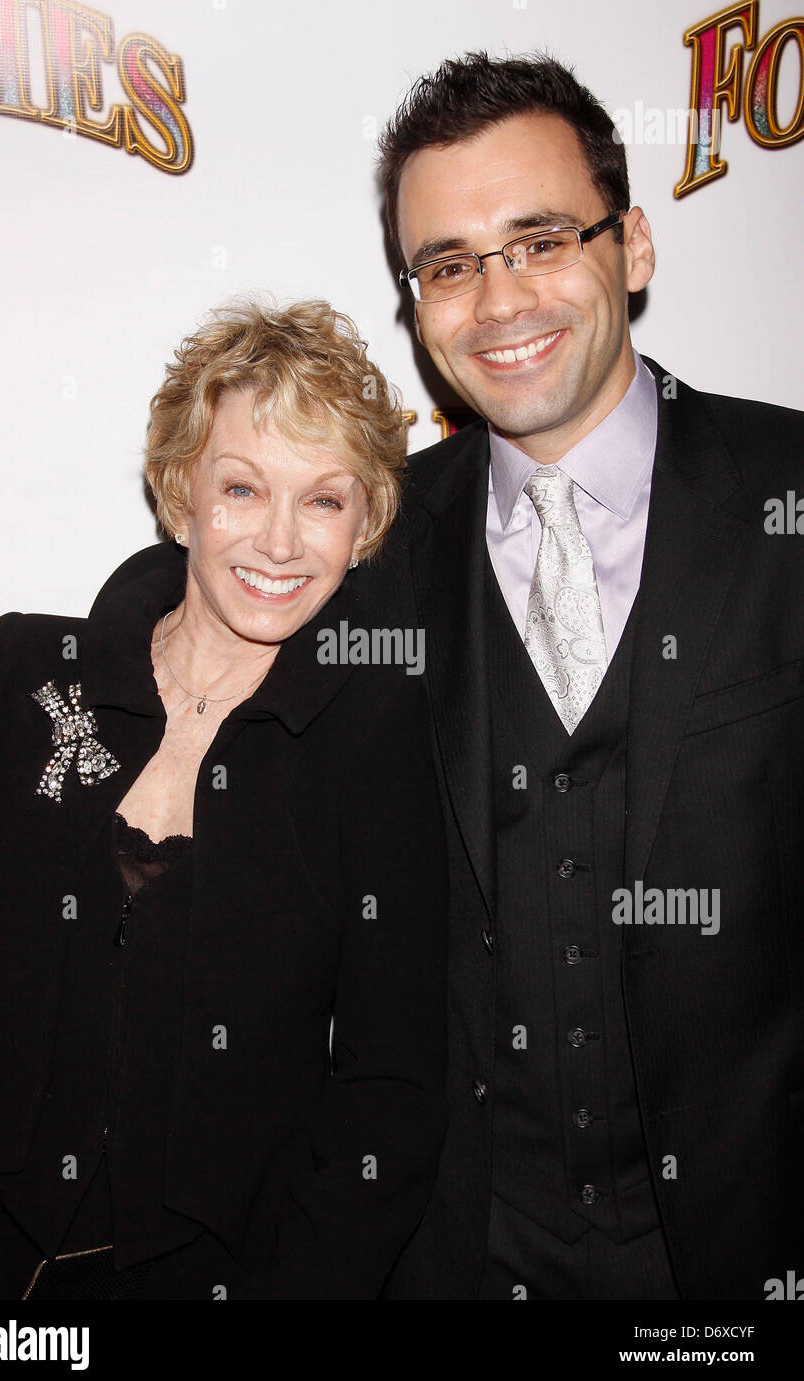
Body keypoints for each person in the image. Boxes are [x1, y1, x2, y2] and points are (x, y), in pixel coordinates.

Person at [367, 51, 804, 1300]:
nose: (496, 299)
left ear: (634, 248)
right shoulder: (372, 547)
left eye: (539, 238)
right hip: (458, 1255)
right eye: (447, 264)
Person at [0, 298, 448, 1300]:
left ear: (365, 524)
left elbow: (392, 1090)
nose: (278, 541)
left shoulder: (372, 749)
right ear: (181, 497)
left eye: (324, 500)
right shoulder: (31, 673)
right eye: (242, 487)